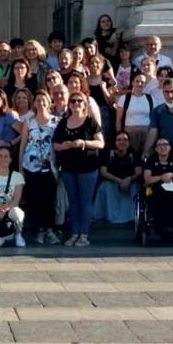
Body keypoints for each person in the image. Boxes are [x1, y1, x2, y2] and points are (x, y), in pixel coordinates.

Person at [53, 91, 105, 247]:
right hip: (68, 167)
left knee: (85, 201)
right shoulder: (63, 122)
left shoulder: (90, 122)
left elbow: (100, 143)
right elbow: (55, 144)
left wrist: (83, 142)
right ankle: (74, 233)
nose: (76, 104)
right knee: (73, 202)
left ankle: (84, 234)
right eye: (73, 101)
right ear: (69, 104)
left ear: (84, 104)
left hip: (87, 167)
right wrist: (64, 146)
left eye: (79, 101)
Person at [18, 90, 60, 244]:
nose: (40, 103)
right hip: (31, 166)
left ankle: (50, 230)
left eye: (43, 100)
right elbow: (23, 145)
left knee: (49, 200)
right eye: (38, 100)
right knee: (34, 200)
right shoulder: (29, 122)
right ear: (34, 103)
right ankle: (39, 231)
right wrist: (21, 167)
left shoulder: (57, 121)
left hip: (50, 167)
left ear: (48, 102)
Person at [95, 131, 142, 224]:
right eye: (119, 140)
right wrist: (120, 181)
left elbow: (138, 172)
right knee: (106, 186)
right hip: (112, 182)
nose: (122, 142)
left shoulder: (134, 154)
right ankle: (110, 216)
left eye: (125, 140)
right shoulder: (107, 153)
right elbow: (103, 172)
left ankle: (132, 217)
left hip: (129, 183)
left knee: (135, 186)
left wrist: (129, 179)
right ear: (115, 142)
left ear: (129, 142)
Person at [143, 139, 173, 240]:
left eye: (165, 144)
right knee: (159, 196)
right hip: (156, 189)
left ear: (170, 147)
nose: (163, 147)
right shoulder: (151, 161)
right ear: (156, 149)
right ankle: (161, 228)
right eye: (160, 145)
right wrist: (161, 177)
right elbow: (147, 179)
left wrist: (170, 174)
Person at [115, 74, 153, 154]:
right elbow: (118, 119)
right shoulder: (124, 98)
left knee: (145, 154)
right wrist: (120, 134)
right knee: (132, 154)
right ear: (132, 83)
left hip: (146, 131)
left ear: (145, 84)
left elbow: (153, 117)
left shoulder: (150, 98)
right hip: (129, 131)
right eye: (137, 81)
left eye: (142, 82)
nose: (140, 84)